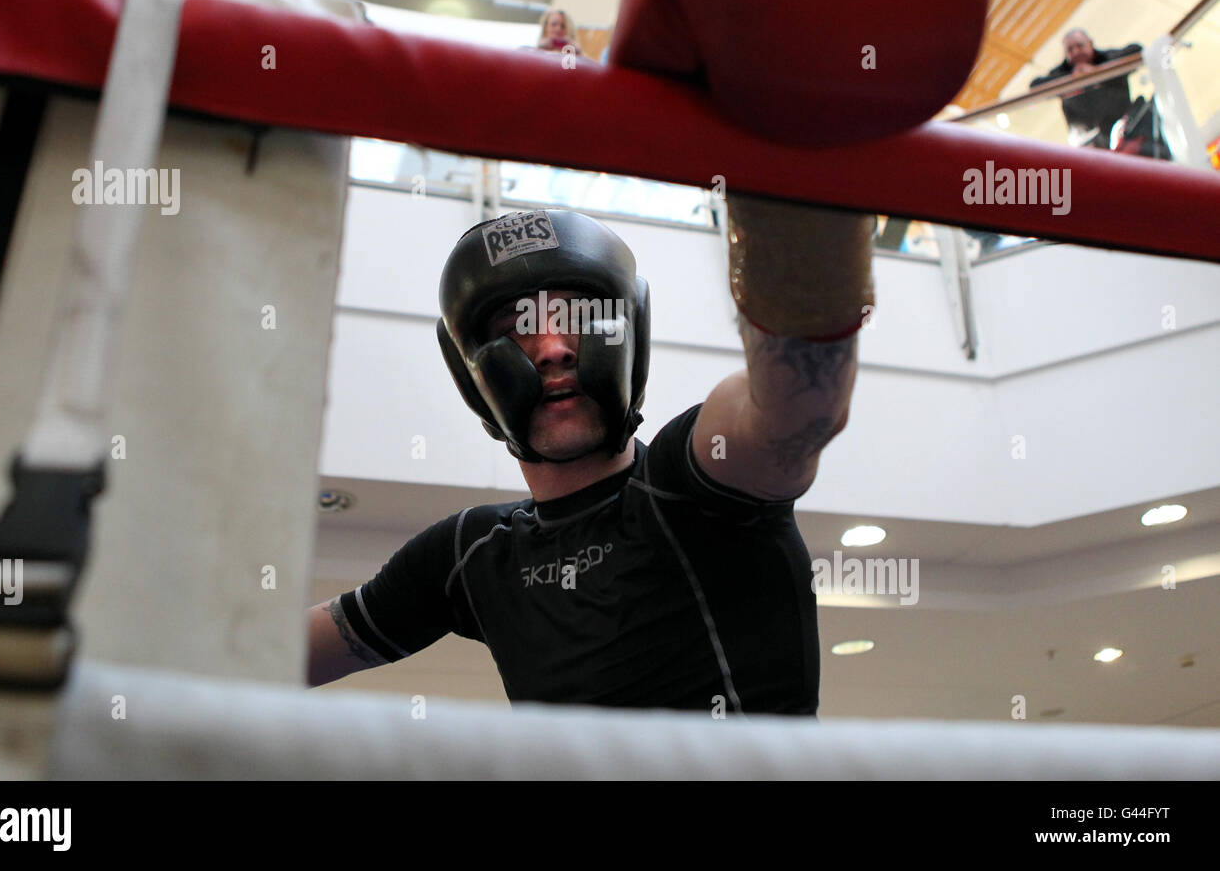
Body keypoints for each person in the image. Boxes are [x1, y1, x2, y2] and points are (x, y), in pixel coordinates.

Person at [308, 199, 875, 716]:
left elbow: (799, 408)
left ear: (630, 335)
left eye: (577, 316)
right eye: (517, 328)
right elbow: (263, 652)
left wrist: (795, 189)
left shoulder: (696, 487)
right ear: (470, 374)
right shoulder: (472, 554)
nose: (553, 346)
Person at [1029, 29, 1150, 151]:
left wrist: (1097, 73)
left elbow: (1137, 50)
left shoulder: (1108, 57)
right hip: (1088, 145)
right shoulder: (1061, 73)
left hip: (1127, 135)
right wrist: (1073, 80)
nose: (1076, 52)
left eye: (1080, 46)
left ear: (1090, 43)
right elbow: (1035, 87)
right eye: (1070, 50)